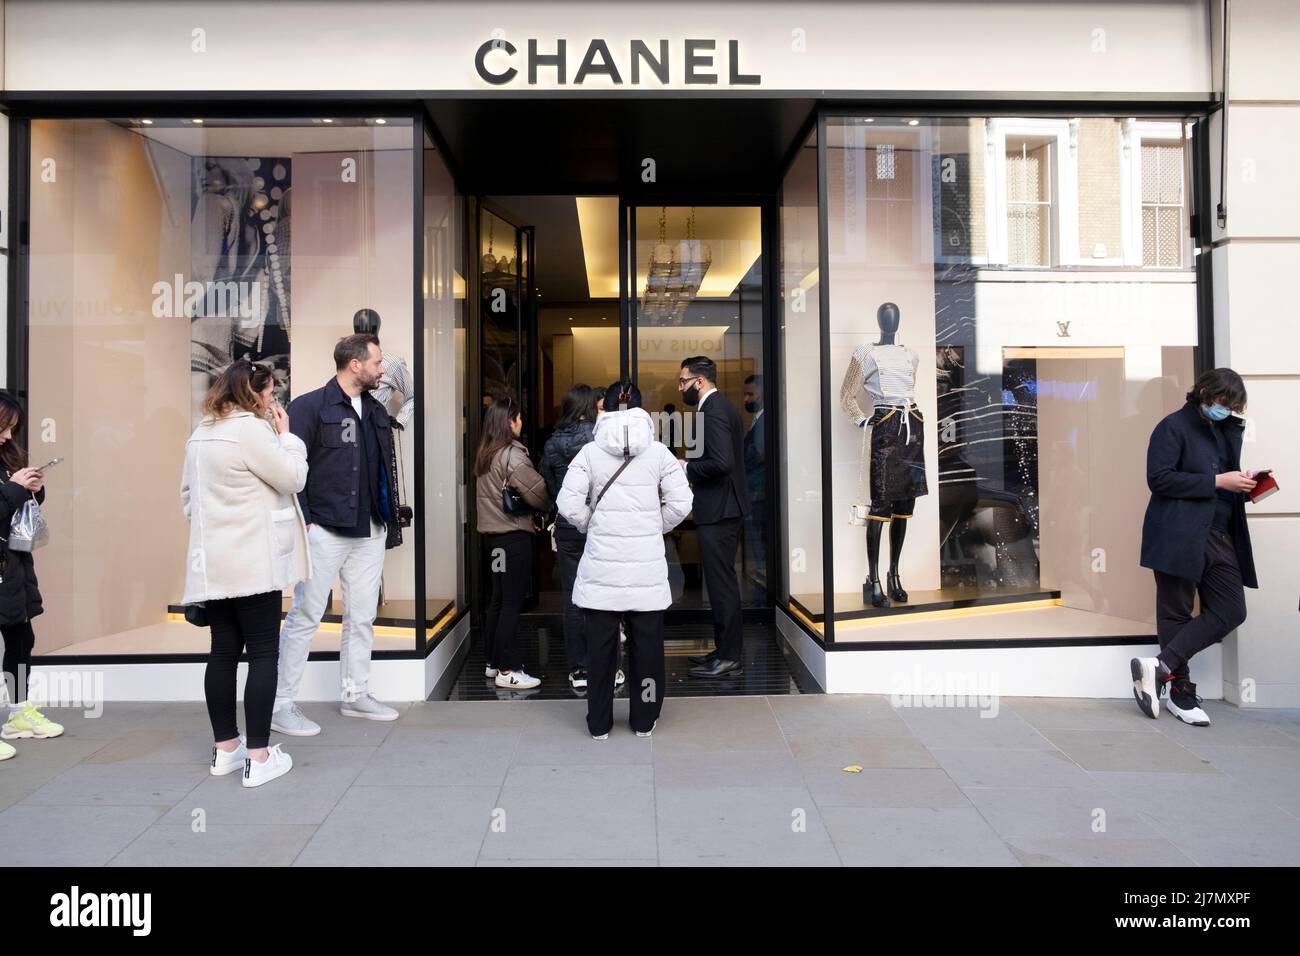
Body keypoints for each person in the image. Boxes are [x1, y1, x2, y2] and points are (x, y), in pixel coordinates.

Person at [181, 361, 309, 786]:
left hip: (215, 566)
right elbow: (293, 478)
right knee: (263, 653)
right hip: (254, 561)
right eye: (270, 392)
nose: (273, 399)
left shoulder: (201, 433)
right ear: (254, 393)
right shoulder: (252, 431)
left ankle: (226, 749)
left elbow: (188, 499)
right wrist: (288, 437)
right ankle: (258, 756)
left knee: (222, 653)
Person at [272, 334, 404, 736]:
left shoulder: (377, 409)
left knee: (362, 617)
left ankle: (355, 694)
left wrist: (388, 521)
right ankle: (280, 704)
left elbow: (384, 469)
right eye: (377, 362)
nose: (382, 369)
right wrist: (306, 521)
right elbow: (290, 467)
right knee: (305, 616)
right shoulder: (309, 407)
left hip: (370, 530)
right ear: (354, 364)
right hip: (324, 530)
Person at [558, 381, 692, 738]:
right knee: (647, 650)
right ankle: (643, 720)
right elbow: (682, 502)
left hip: (602, 568)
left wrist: (591, 524)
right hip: (645, 569)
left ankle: (599, 724)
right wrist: (655, 526)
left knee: (600, 652)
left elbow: (568, 503)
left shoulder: (589, 453)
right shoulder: (659, 453)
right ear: (641, 408)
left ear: (603, 408)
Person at [1132, 368, 1259, 727]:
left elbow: (1219, 483)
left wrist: (1243, 485)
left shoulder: (1224, 431)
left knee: (1231, 611)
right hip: (1177, 533)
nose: (1227, 410)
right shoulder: (1172, 427)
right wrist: (1217, 481)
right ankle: (1180, 692)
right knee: (1176, 612)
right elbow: (1159, 479)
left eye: (1233, 406)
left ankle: (1160, 666)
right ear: (1204, 392)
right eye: (1223, 402)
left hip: (1220, 535)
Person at [678, 356, 749, 678]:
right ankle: (723, 651)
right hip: (722, 508)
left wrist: (686, 468)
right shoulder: (716, 407)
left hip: (721, 510)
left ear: (700, 381)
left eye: (683, 381)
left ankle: (729, 656)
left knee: (722, 586)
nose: (681, 387)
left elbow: (722, 463)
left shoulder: (714, 410)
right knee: (721, 583)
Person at [0, 391, 62, 759]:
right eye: (4, 428)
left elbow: (15, 506)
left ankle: (19, 714)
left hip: (13, 564)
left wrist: (35, 490)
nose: (8, 436)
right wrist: (13, 488)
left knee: (21, 638)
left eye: (12, 429)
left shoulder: (8, 456)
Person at [475, 396, 551, 690]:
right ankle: (509, 670)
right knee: (511, 602)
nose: (521, 422)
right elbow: (539, 493)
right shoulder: (511, 455)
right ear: (510, 422)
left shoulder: (486, 453)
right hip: (512, 537)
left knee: (498, 599)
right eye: (519, 417)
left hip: (492, 539)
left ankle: (493, 662)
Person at [542, 384, 602, 691]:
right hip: (598, 525)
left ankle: (578, 669)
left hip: (567, 525)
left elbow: (552, 488)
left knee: (573, 597)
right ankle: (604, 666)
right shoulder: (599, 439)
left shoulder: (552, 443)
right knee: (603, 595)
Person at [353, 308, 414, 428]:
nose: (364, 333)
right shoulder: (349, 360)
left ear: (377, 328)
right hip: (349, 427)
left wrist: (400, 421)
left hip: (376, 428)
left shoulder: (391, 363)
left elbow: (412, 395)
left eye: (370, 328)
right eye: (359, 328)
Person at [742, 373, 767, 598]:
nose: (746, 399)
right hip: (756, 493)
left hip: (758, 494)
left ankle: (762, 599)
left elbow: (759, 455)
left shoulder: (764, 422)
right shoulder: (758, 420)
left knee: (760, 553)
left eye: (750, 394)